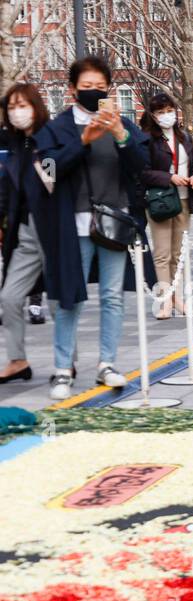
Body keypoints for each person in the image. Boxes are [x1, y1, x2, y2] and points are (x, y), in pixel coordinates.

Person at [34, 55, 149, 401]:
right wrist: (82, 140)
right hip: (73, 225)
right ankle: (62, 367)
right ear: (72, 90)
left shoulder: (122, 122)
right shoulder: (57, 127)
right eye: (86, 87)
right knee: (71, 297)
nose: (93, 92)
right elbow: (49, 172)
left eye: (100, 87)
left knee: (113, 297)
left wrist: (121, 137)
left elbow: (140, 168)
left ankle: (107, 363)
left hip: (114, 223)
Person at [0, 83, 52, 385]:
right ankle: (17, 360)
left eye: (23, 105)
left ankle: (65, 363)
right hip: (24, 230)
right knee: (9, 297)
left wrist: (43, 167)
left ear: (35, 106)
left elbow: (53, 182)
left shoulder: (50, 139)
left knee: (60, 300)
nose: (17, 112)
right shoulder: (14, 144)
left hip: (52, 227)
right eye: (12, 107)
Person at [138, 92, 193, 321]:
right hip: (161, 200)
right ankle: (164, 300)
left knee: (179, 254)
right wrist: (169, 178)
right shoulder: (148, 139)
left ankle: (178, 298)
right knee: (162, 254)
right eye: (161, 112)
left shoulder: (183, 137)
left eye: (169, 110)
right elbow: (143, 172)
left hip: (184, 199)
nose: (166, 115)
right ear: (153, 115)